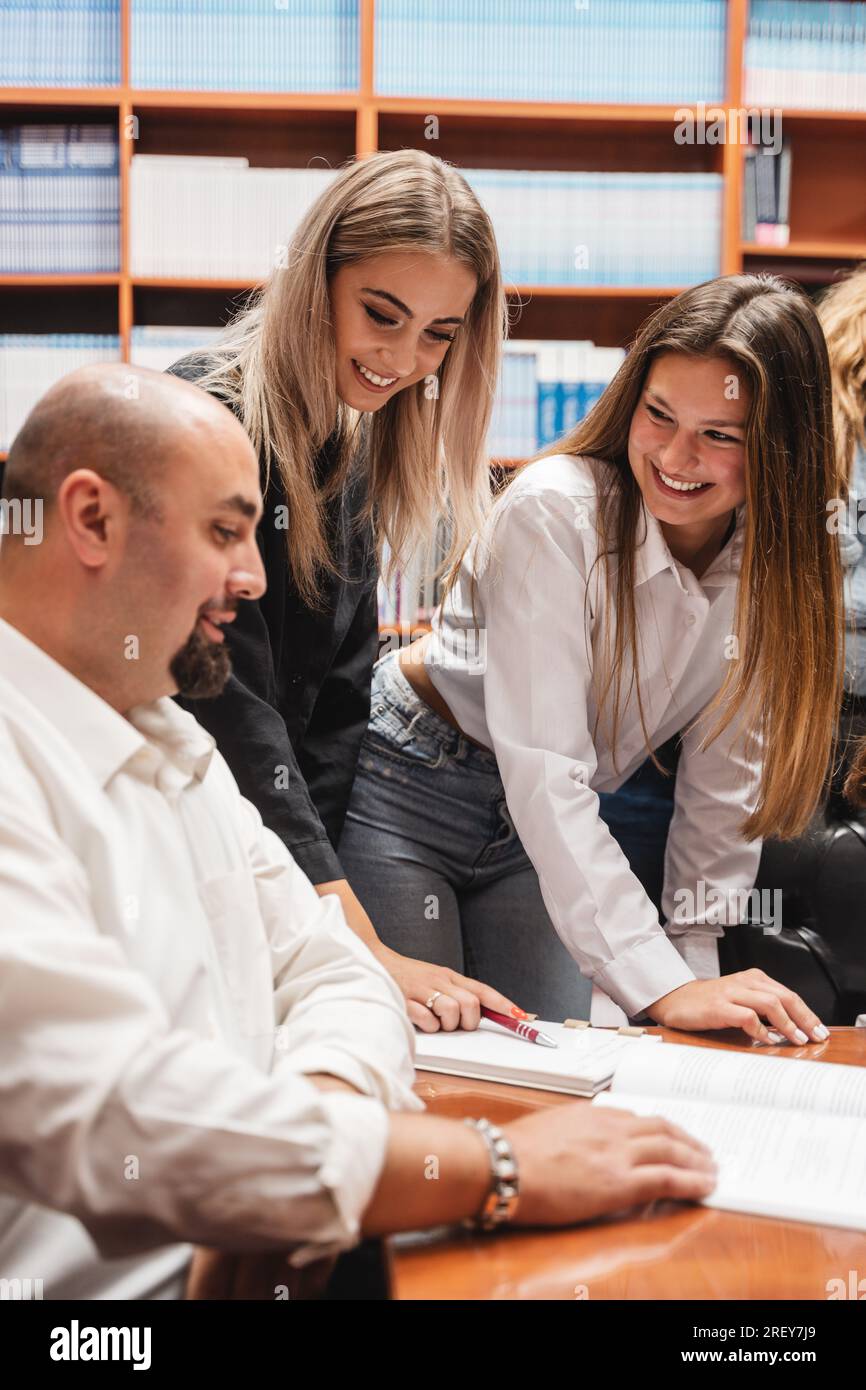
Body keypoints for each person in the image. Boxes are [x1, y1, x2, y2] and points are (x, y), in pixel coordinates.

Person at [0, 365, 718, 1299]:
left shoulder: (169, 731)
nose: (253, 578)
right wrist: (497, 1169)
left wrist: (299, 1150)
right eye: (224, 532)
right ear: (91, 519)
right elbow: (127, 1117)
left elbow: (335, 967)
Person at [338, 274, 838, 1041]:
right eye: (659, 415)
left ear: (780, 449)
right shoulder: (556, 510)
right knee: (428, 1050)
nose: (676, 456)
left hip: (535, 833)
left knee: (557, 1070)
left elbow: (721, 794)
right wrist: (662, 985)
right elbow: (544, 768)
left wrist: (698, 981)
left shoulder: (775, 571)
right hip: (409, 787)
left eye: (720, 435)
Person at [168, 147, 525, 1033]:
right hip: (181, 829)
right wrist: (353, 940)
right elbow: (233, 705)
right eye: (381, 313)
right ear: (314, 279)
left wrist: (326, 921)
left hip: (269, 855)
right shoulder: (207, 418)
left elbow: (333, 709)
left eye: (439, 333)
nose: (402, 359)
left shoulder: (356, 439)